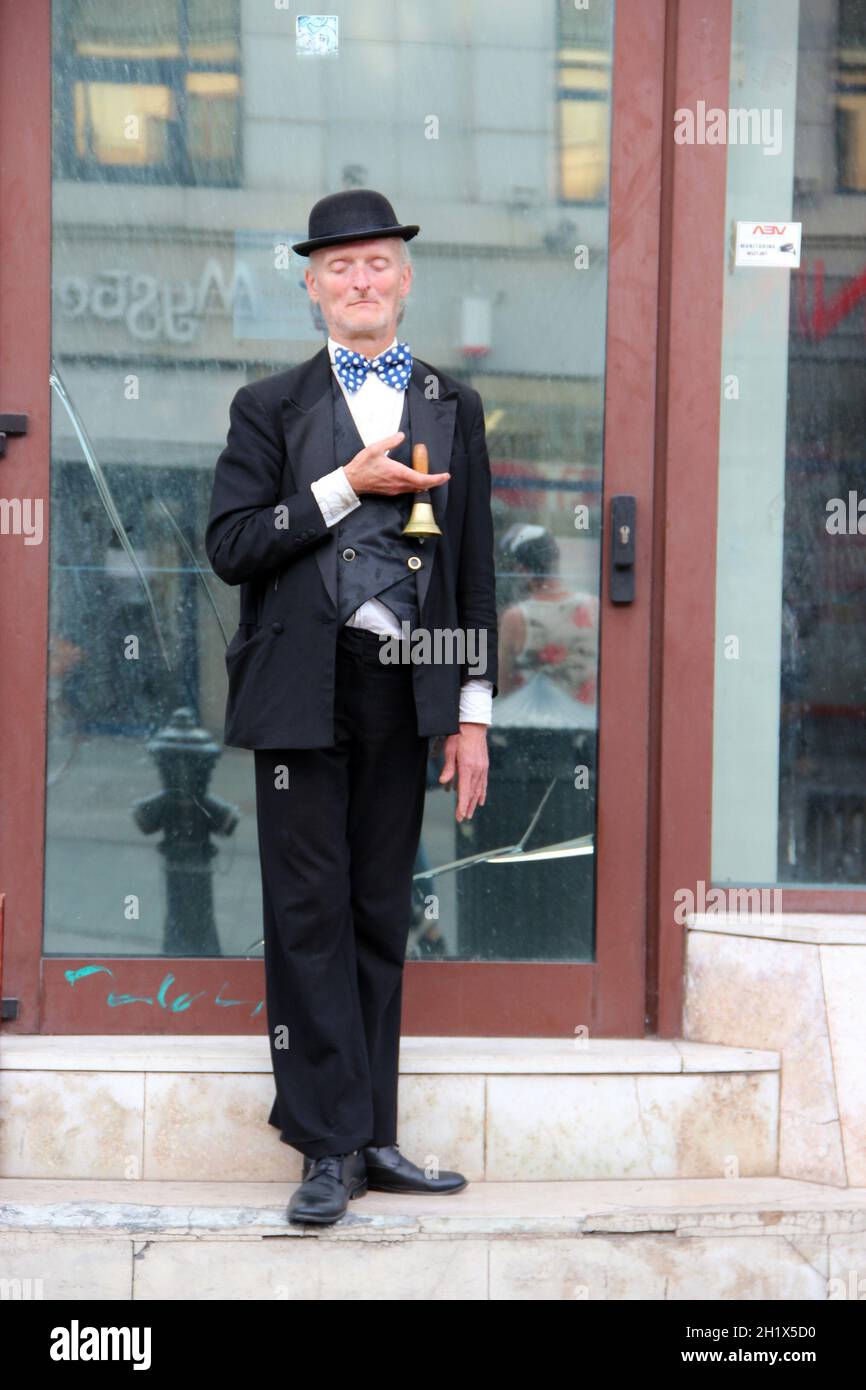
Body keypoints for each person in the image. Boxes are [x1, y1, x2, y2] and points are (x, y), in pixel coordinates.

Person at [205, 189, 499, 1225]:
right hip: (298, 691)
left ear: (404, 277)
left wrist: (471, 715)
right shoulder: (268, 406)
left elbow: (469, 570)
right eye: (339, 267)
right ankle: (321, 1145)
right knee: (306, 917)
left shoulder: (450, 401)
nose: (361, 281)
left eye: (377, 263)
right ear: (311, 286)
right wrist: (340, 487)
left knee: (380, 911)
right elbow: (231, 545)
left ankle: (372, 1135)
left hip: (403, 691)